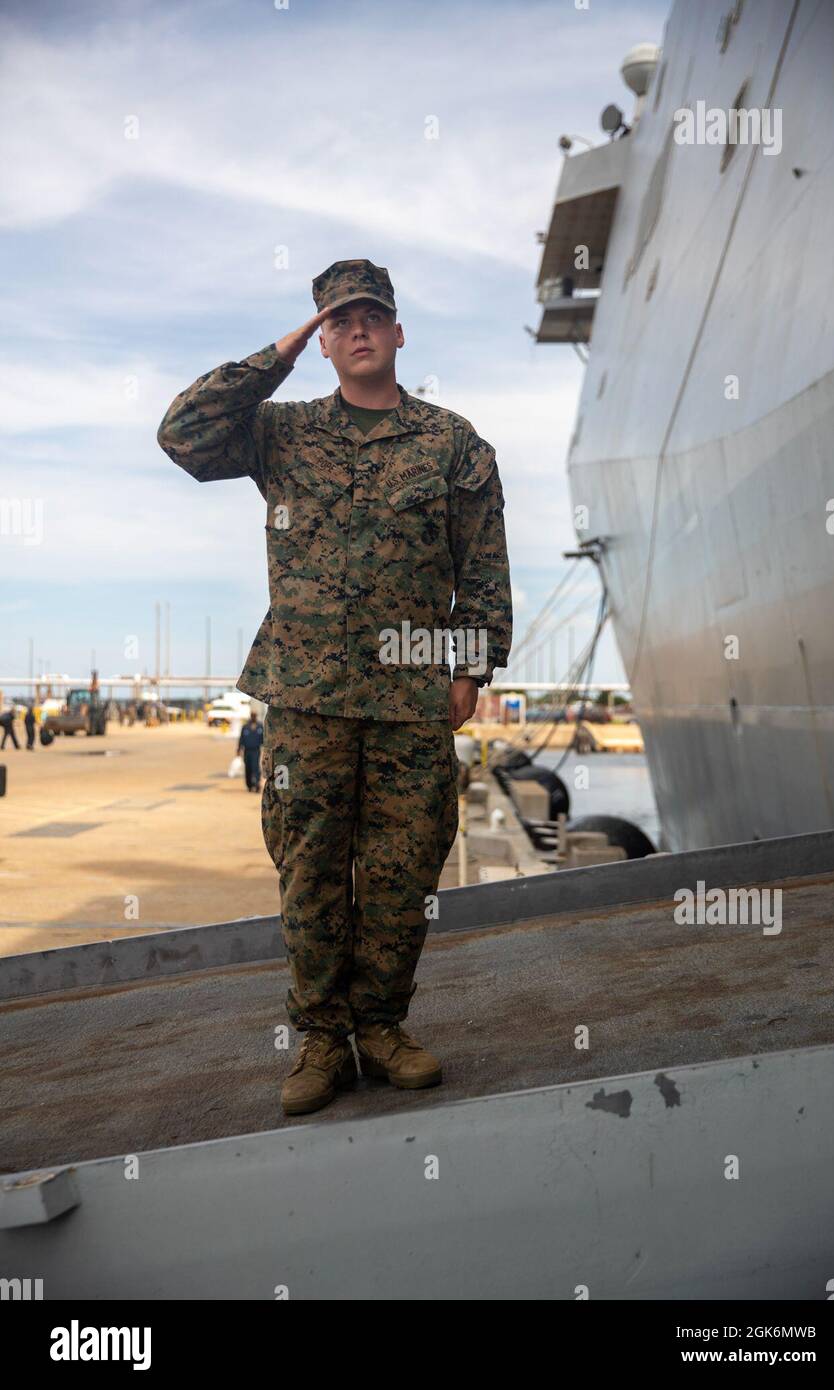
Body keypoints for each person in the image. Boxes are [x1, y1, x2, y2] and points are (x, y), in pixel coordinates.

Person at [158, 258, 512, 1116]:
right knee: (310, 869)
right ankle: (320, 1040)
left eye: (371, 316)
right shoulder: (282, 433)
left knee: (403, 869)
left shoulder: (453, 443)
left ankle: (382, 1027)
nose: (357, 330)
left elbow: (484, 567)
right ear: (322, 341)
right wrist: (276, 354)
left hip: (408, 699)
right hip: (308, 694)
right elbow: (184, 434)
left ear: (397, 334)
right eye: (338, 321)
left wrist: (470, 665)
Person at [237, 710, 264, 792]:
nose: (253, 717)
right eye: (252, 715)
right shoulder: (245, 727)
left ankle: (257, 784)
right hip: (247, 751)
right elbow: (241, 739)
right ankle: (249, 785)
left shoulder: (260, 726)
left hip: (256, 751)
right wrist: (238, 749)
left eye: (255, 715)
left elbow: (264, 739)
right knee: (248, 768)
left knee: (255, 767)